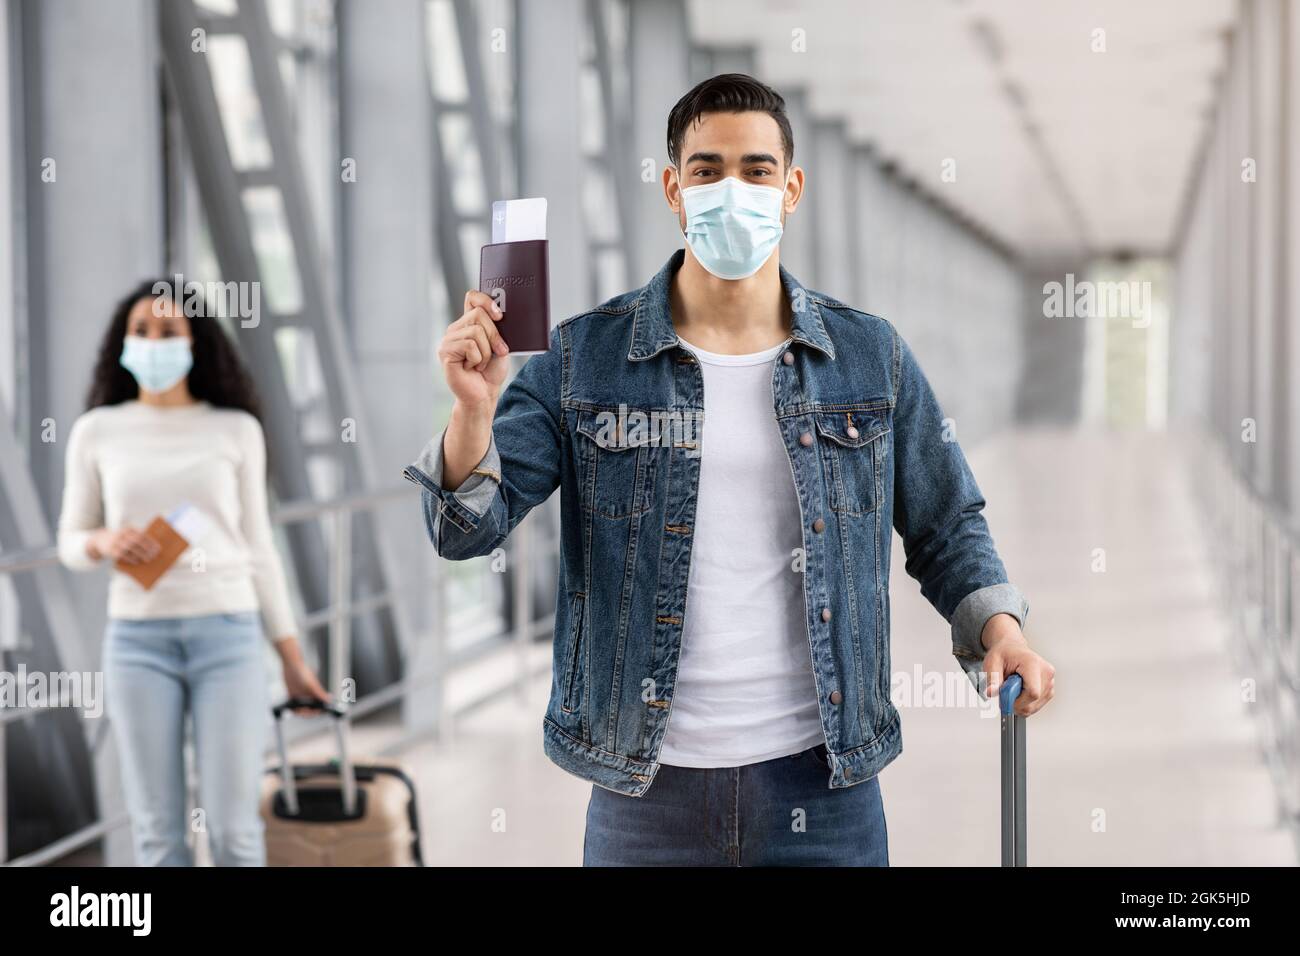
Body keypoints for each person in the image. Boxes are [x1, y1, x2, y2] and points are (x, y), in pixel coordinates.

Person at [406, 74, 1056, 866]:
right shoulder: (585, 360)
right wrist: (474, 411)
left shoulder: (867, 355)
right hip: (645, 792)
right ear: (673, 189)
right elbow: (464, 530)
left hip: (825, 784)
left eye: (756, 169)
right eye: (707, 170)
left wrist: (1002, 628)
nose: (732, 190)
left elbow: (944, 522)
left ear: (792, 188)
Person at [57, 278, 329, 866]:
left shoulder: (235, 429)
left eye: (169, 331)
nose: (154, 342)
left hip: (227, 637)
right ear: (123, 343)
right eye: (142, 331)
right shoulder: (96, 431)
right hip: (137, 641)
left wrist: (292, 659)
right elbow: (70, 542)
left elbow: (260, 548)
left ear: (196, 341)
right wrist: (103, 541)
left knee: (235, 834)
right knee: (158, 838)